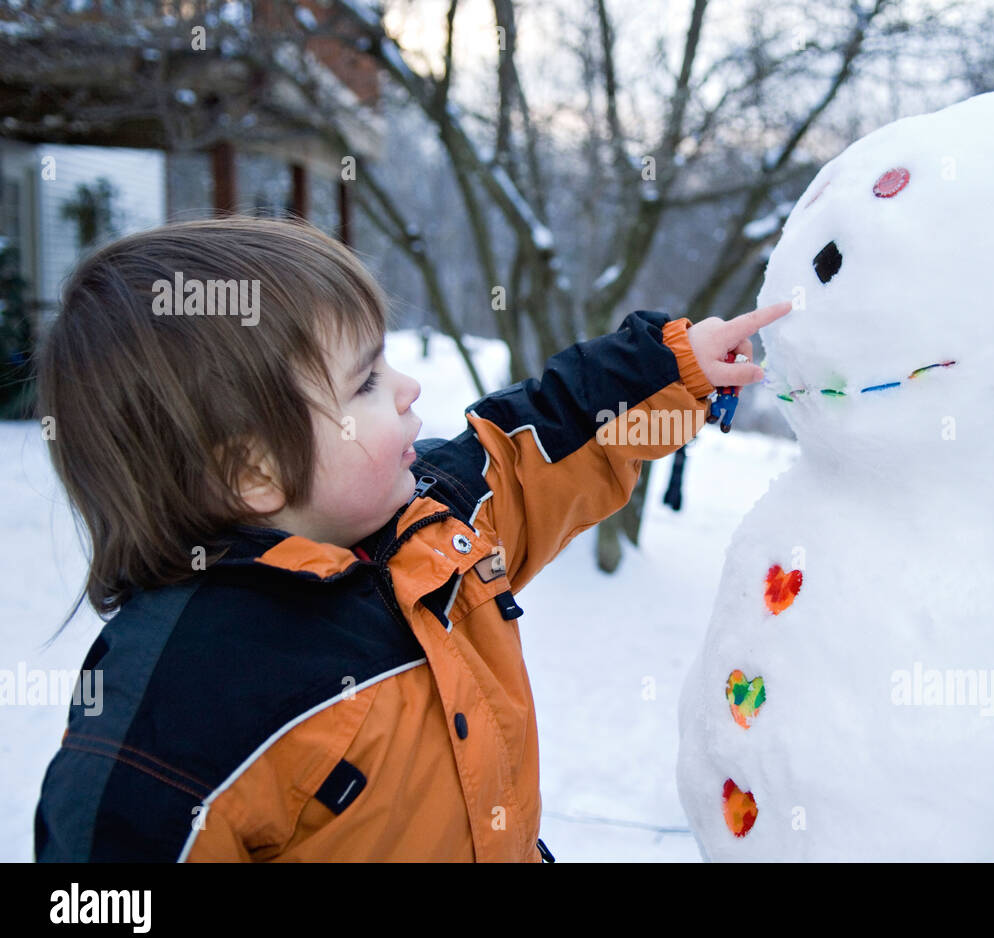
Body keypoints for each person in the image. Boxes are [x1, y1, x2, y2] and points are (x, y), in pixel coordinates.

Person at [31, 215, 791, 861]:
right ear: (256, 470)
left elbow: (541, 438)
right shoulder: (178, 708)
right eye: (364, 382)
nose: (407, 388)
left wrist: (674, 365)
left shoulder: (435, 522)